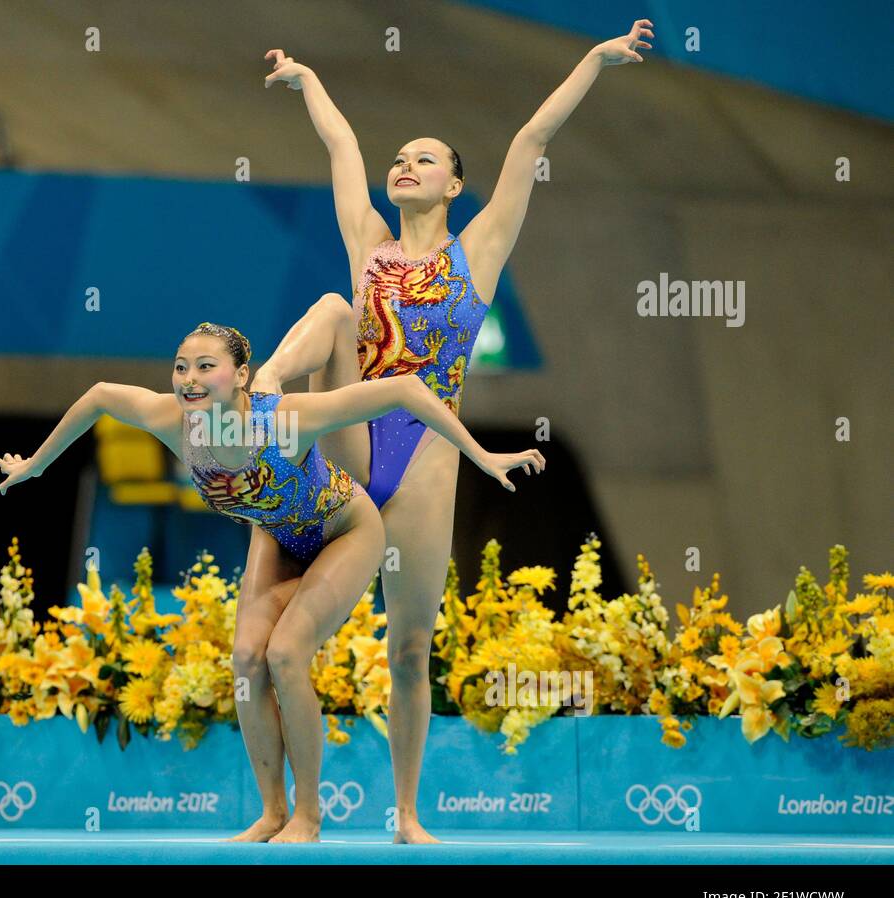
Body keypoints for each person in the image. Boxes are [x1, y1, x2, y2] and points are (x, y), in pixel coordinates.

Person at [248, 20, 652, 842]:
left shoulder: (480, 254)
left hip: (428, 458)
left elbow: (534, 135)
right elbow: (340, 144)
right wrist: (305, 77)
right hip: (354, 438)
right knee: (331, 311)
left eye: (424, 158)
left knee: (408, 647)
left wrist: (595, 60)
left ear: (455, 186)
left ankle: (405, 812)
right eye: (400, 158)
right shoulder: (366, 246)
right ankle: (266, 390)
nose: (404, 165)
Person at [0, 321, 543, 842]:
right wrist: (37, 464)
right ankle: (273, 811)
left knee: (285, 654)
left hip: (345, 531)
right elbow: (99, 395)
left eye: (206, 367)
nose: (188, 380)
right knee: (247, 660)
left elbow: (402, 390)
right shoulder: (173, 423)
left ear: (243, 375)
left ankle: (308, 814)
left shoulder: (283, 420)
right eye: (181, 367)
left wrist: (481, 454)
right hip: (277, 535)